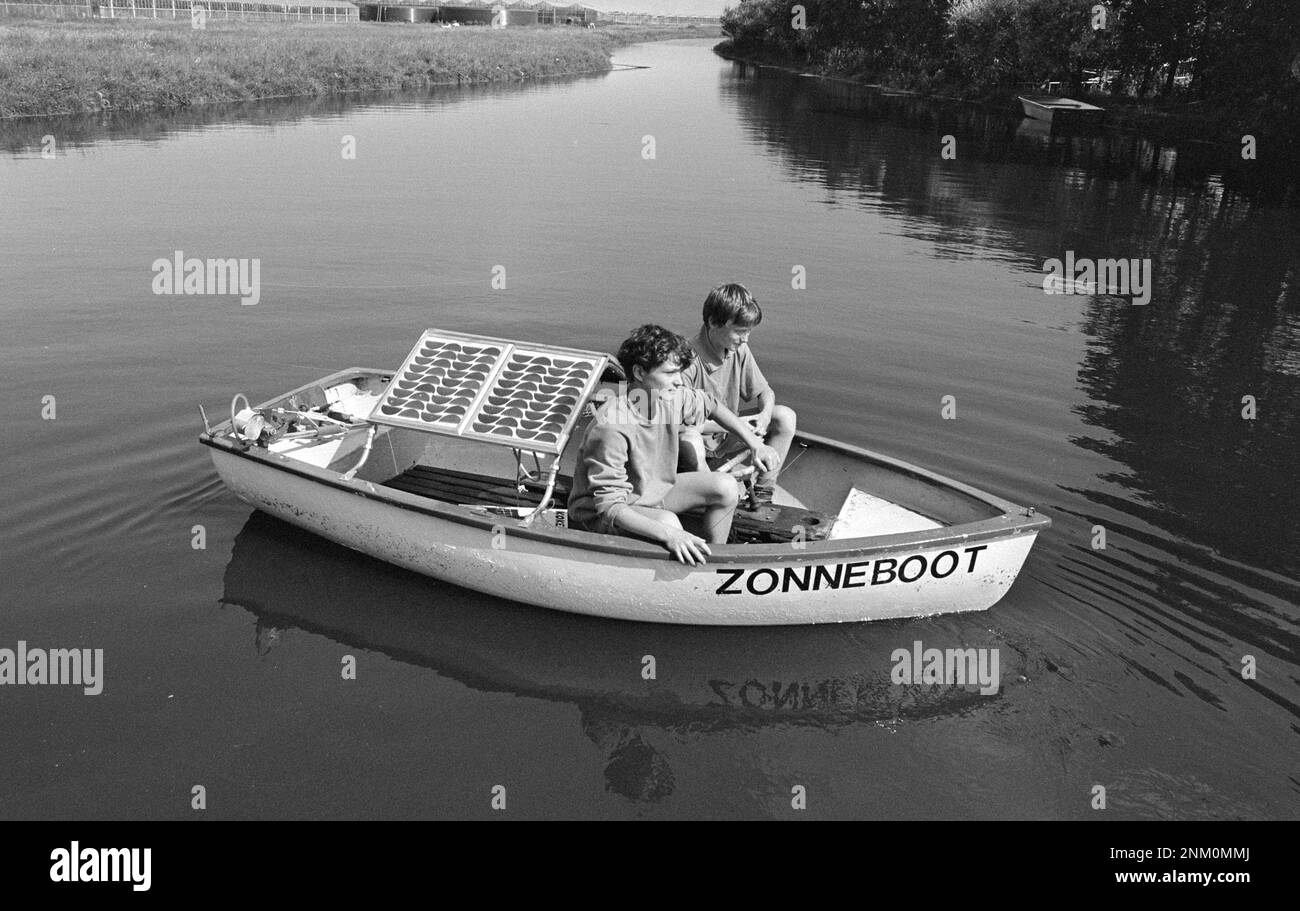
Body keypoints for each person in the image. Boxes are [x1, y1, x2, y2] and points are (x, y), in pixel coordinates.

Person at [567, 324, 781, 565]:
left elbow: (712, 405)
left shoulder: (668, 398)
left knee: (725, 486)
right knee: (668, 522)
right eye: (669, 373)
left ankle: (714, 560)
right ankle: (683, 564)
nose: (679, 381)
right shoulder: (612, 426)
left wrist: (754, 444)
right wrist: (670, 534)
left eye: (680, 372)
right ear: (639, 373)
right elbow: (609, 507)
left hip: (651, 491)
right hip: (599, 515)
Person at [680, 283, 797, 505]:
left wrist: (764, 415)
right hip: (693, 444)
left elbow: (766, 392)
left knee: (784, 416)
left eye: (749, 331)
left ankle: (764, 491)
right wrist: (740, 426)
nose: (746, 339)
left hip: (727, 437)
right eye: (740, 331)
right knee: (691, 437)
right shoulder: (686, 362)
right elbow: (685, 426)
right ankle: (708, 497)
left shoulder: (737, 349)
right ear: (714, 322)